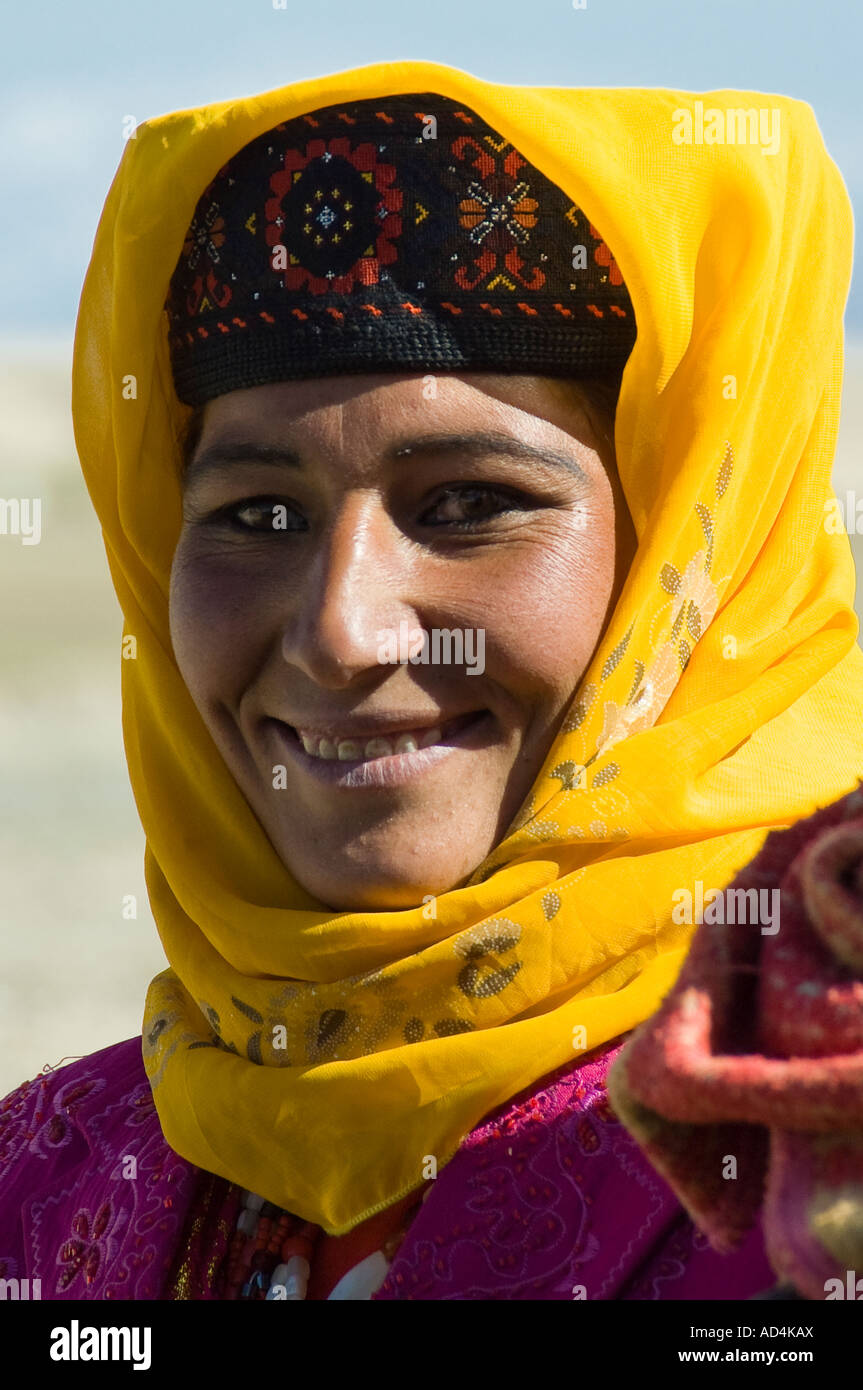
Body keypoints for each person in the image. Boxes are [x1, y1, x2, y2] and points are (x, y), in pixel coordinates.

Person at [2, 58, 862, 1301]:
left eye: (468, 504)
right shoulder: (58, 1173)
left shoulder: (805, 1163)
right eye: (255, 512)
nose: (340, 633)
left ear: (698, 549)